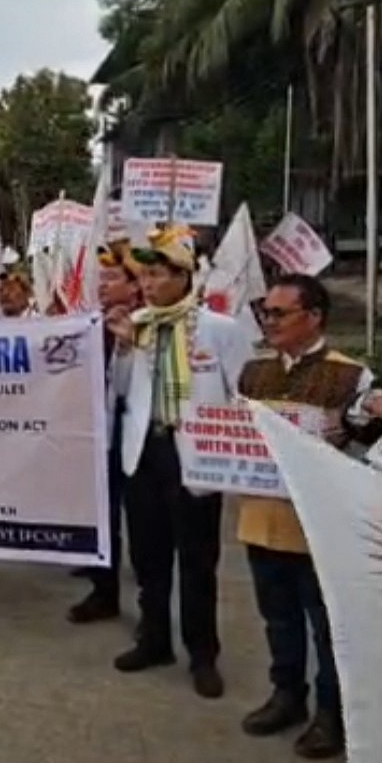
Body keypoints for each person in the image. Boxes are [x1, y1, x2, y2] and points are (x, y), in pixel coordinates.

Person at [107, 226, 253, 699]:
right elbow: (123, 391)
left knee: (196, 560)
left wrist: (235, 456)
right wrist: (125, 348)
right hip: (145, 451)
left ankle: (203, 654)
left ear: (183, 275)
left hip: (195, 456)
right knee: (148, 555)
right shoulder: (139, 325)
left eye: (155, 274)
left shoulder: (221, 330)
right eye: (143, 275)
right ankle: (154, 639)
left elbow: (242, 396)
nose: (146, 284)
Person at [236, 275, 372, 759]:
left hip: (321, 527)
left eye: (279, 313)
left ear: (313, 317)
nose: (268, 322)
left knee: (327, 626)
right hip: (260, 519)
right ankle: (286, 695)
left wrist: (360, 421)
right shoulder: (253, 373)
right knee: (278, 618)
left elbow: (366, 442)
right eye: (265, 313)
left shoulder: (350, 376)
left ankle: (330, 715)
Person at [68, 241, 142, 624]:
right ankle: (104, 591)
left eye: (112, 278)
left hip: (145, 439)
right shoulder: (93, 325)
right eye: (101, 278)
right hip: (101, 435)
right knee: (103, 514)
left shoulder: (151, 323)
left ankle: (152, 607)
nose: (102, 285)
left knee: (145, 522)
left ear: (135, 286)